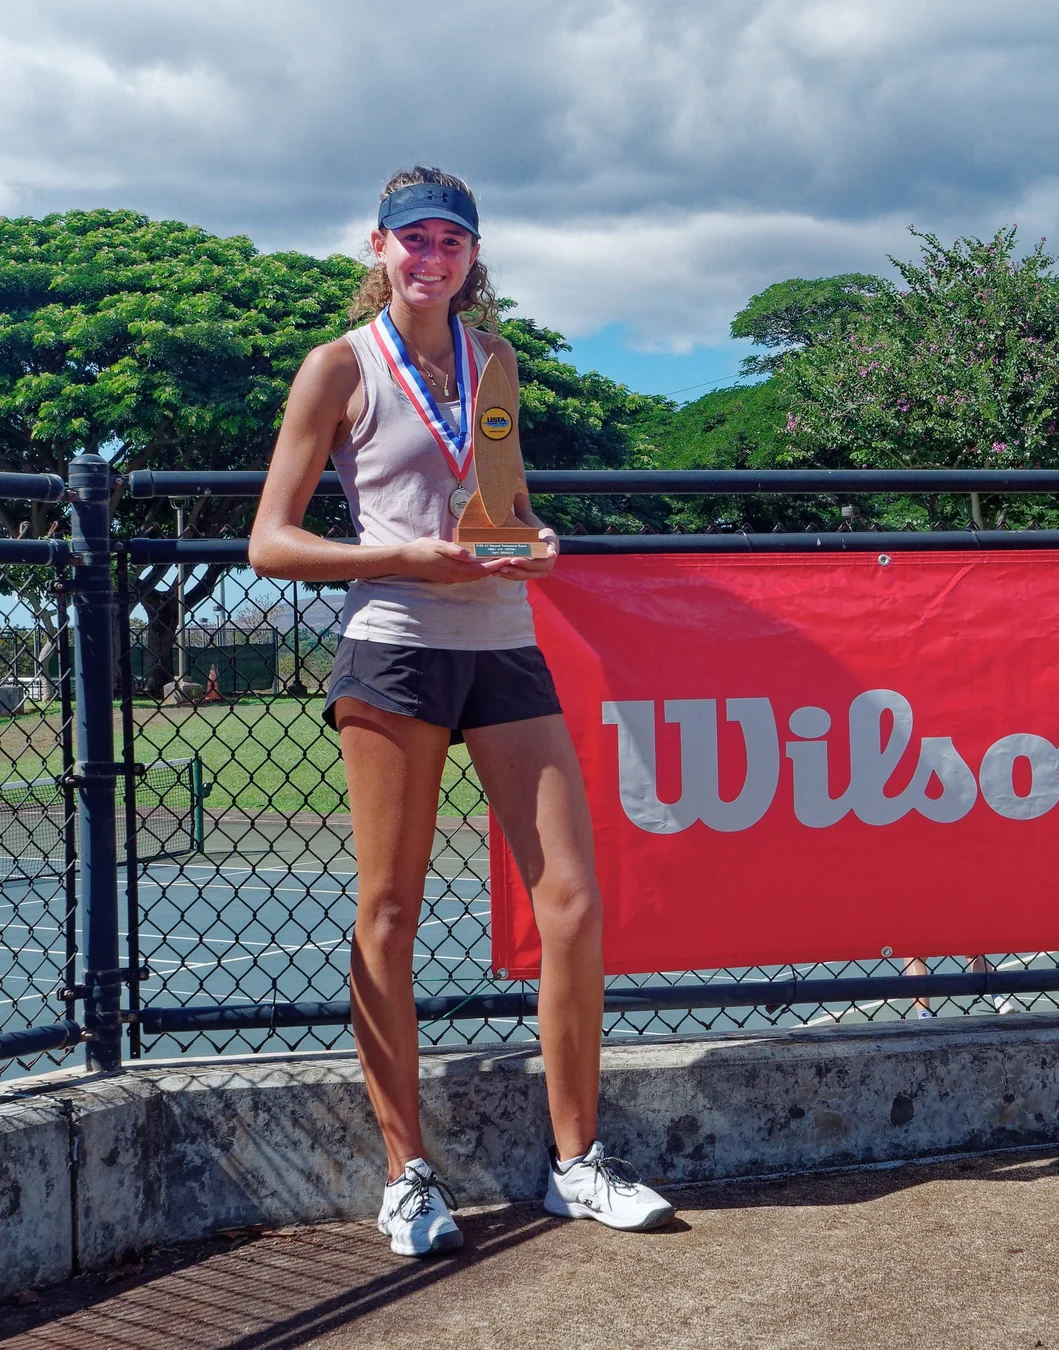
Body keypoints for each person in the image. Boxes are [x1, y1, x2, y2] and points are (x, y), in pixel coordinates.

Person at [249, 166, 674, 1255]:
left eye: (452, 242)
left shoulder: (496, 361)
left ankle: (576, 1166)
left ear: (474, 257)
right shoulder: (338, 367)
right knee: (388, 916)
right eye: (414, 240)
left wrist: (532, 542)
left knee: (572, 903)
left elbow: (510, 498)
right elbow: (272, 541)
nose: (432, 258)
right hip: (394, 650)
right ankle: (408, 1176)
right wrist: (405, 559)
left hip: (504, 649)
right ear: (379, 249)